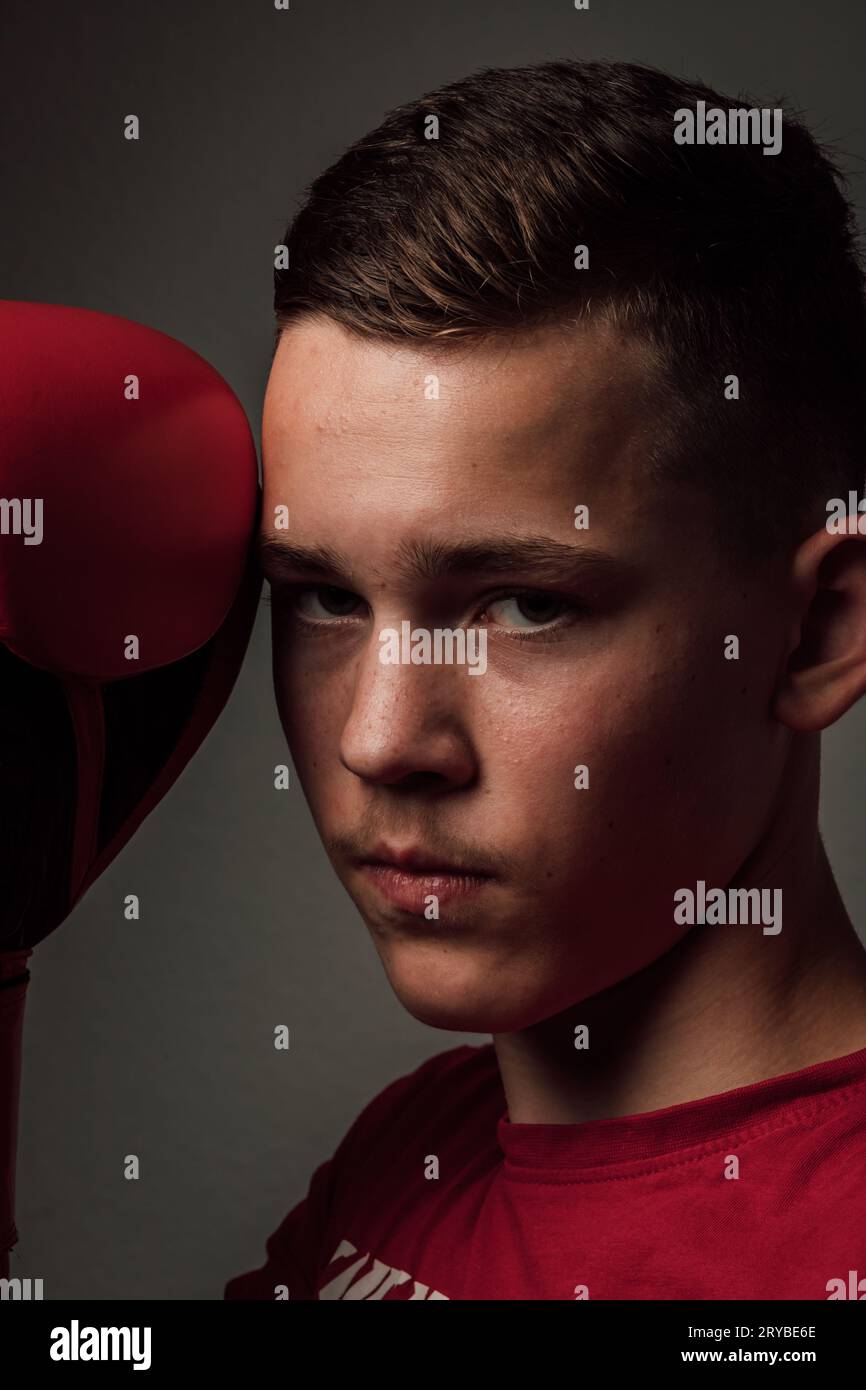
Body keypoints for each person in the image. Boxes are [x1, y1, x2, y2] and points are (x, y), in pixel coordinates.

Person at [225, 58, 866, 1301]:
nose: (379, 739)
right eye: (324, 596)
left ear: (815, 632)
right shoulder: (412, 1155)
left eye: (523, 604)